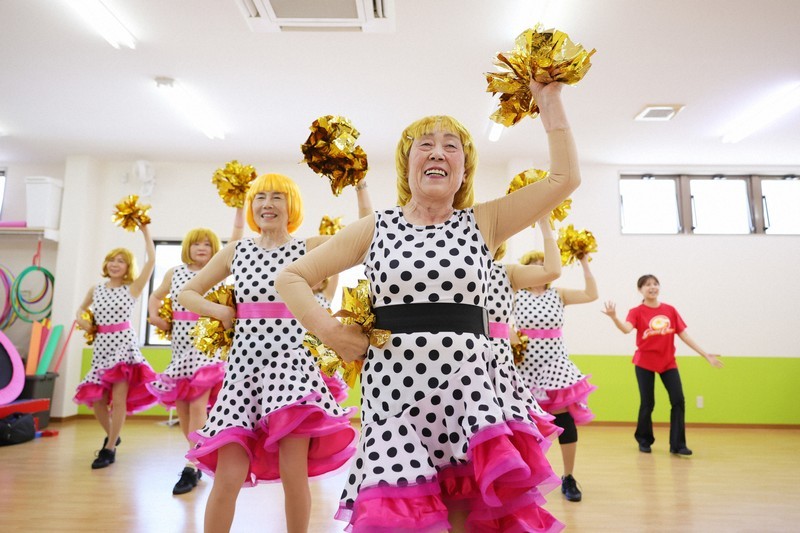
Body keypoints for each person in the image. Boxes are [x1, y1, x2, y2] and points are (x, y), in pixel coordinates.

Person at [277, 81, 579, 532]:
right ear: (408, 164)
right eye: (426, 145)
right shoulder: (375, 227)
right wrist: (332, 333)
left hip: (470, 394)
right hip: (393, 395)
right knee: (404, 512)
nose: (438, 152)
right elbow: (291, 277)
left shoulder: (484, 221)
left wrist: (549, 101)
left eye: (451, 146)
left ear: (464, 170)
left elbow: (564, 179)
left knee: (463, 514)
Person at [178, 173, 357, 533]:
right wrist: (220, 310)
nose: (267, 204)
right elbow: (188, 293)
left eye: (277, 197)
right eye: (260, 197)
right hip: (243, 371)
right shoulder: (236, 251)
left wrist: (360, 185)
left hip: (292, 370)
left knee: (294, 471)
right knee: (228, 473)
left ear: (292, 206)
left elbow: (359, 242)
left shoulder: (309, 247)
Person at [146, 208, 244, 495]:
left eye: (207, 244)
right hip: (180, 350)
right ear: (187, 247)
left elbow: (236, 237)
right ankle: (196, 455)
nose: (201, 248)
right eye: (196, 243)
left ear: (215, 250)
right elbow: (156, 296)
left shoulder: (218, 272)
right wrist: (156, 317)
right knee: (183, 407)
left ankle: (192, 465)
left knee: (198, 404)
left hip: (206, 347)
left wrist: (239, 208)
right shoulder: (175, 273)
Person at [602, 274, 723, 456]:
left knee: (678, 400)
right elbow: (626, 329)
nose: (652, 287)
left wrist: (705, 354)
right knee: (648, 403)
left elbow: (684, 335)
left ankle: (678, 445)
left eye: (655, 284)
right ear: (640, 290)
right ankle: (644, 440)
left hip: (668, 362)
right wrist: (614, 318)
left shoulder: (670, 310)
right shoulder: (637, 311)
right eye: (647, 285)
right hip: (644, 362)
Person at [513, 252, 598, 502]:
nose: (540, 269)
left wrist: (584, 262)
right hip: (524, 367)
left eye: (543, 265)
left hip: (555, 366)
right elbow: (497, 318)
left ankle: (568, 477)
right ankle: (524, 477)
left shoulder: (558, 294)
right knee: (524, 423)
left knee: (564, 419)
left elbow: (591, 294)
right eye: (534, 266)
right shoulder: (516, 295)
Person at [74, 222, 157, 469]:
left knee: (118, 400)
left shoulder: (133, 288)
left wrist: (145, 231)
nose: (115, 264)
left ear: (128, 267)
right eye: (112, 259)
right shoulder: (96, 289)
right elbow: (81, 309)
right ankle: (113, 433)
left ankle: (109, 448)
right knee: (98, 399)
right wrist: (82, 320)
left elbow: (152, 261)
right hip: (101, 347)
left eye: (121, 261)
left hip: (123, 347)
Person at [310, 179, 375, 404]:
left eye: (322, 273)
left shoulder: (326, 293)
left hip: (320, 355)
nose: (317, 278)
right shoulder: (296, 296)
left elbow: (365, 231)